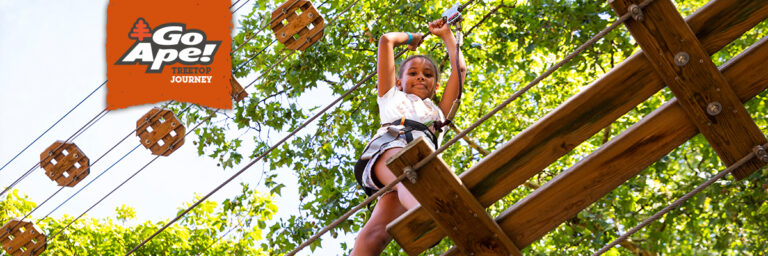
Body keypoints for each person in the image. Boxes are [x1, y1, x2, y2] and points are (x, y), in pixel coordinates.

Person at [351, 17, 466, 255]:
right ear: (399, 82)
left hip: (417, 169)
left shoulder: (438, 114)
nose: (421, 77)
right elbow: (386, 40)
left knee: (377, 233)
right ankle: (425, 210)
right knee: (406, 171)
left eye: (428, 74)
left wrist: (447, 35)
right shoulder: (391, 97)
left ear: (436, 87)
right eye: (413, 73)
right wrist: (413, 39)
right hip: (389, 150)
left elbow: (460, 70)